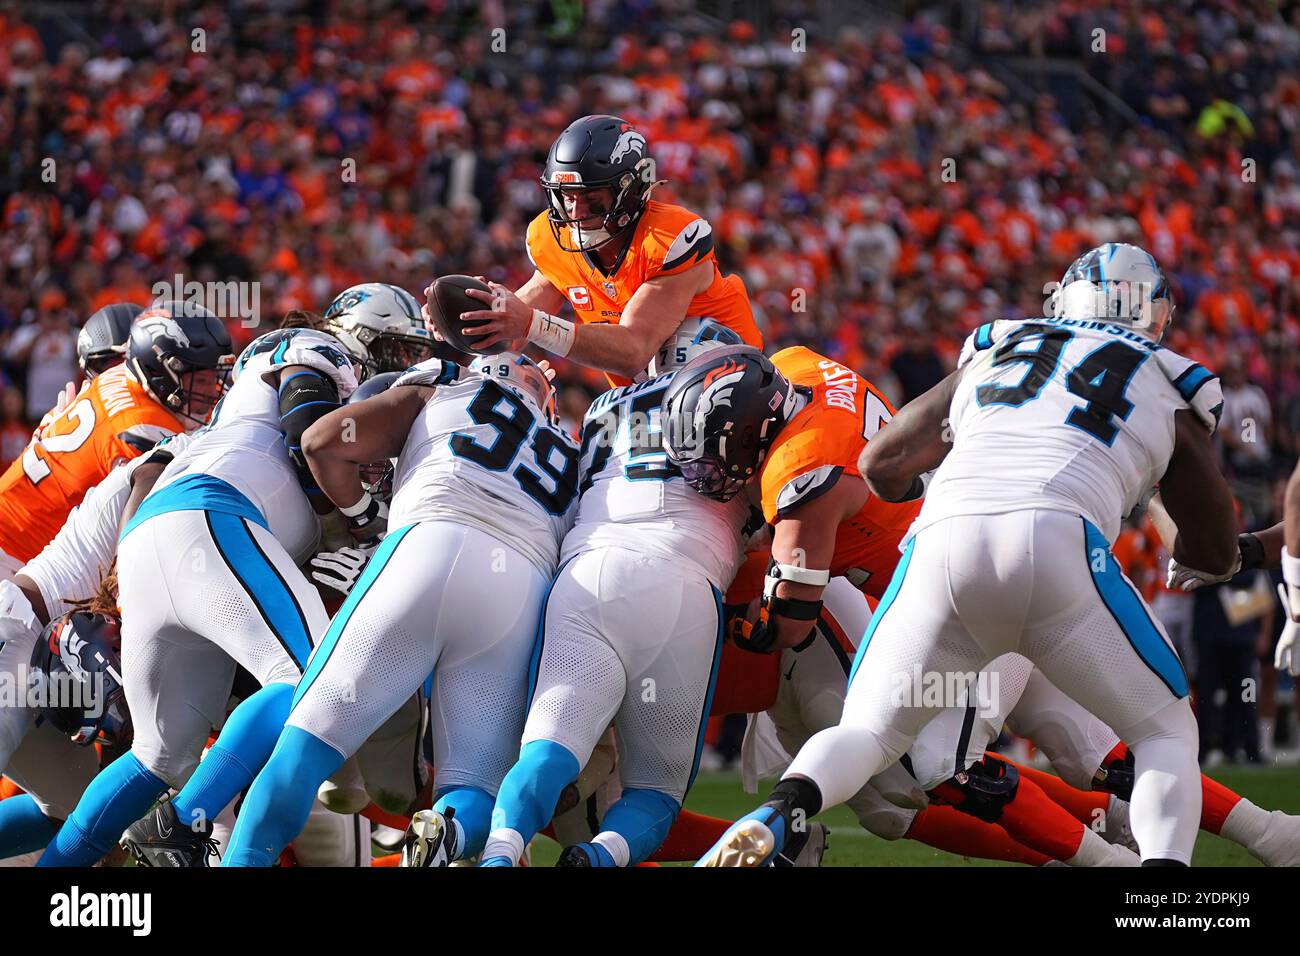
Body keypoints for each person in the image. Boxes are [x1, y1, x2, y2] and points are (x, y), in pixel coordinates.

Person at [688, 242, 1238, 866]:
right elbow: (1213, 549)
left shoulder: (1002, 342)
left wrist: (908, 493)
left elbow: (883, 463)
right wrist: (1195, 538)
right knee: (1164, 730)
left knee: (866, 735)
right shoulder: (1169, 375)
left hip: (938, 543)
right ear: (1156, 315)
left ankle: (779, 812)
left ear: (1064, 299)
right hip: (1057, 542)